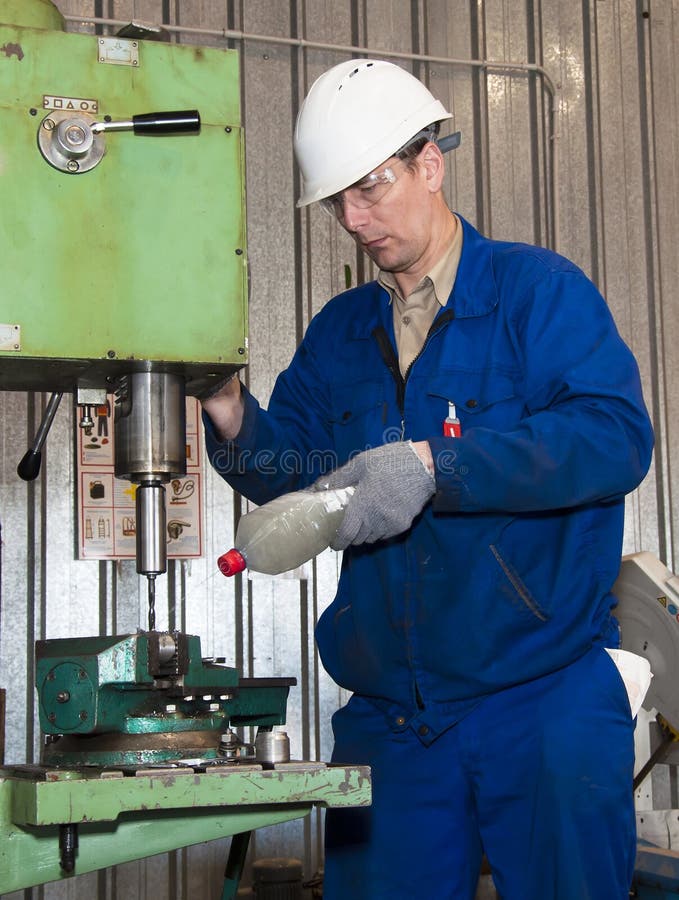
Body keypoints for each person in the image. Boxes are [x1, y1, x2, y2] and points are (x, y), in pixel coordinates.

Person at [201, 58, 654, 900]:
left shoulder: (536, 294)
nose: (353, 218)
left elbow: (614, 437)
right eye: (337, 202)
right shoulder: (339, 332)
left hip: (540, 700)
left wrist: (435, 465)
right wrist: (228, 409)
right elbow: (293, 480)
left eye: (370, 190)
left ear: (429, 164)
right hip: (391, 721)